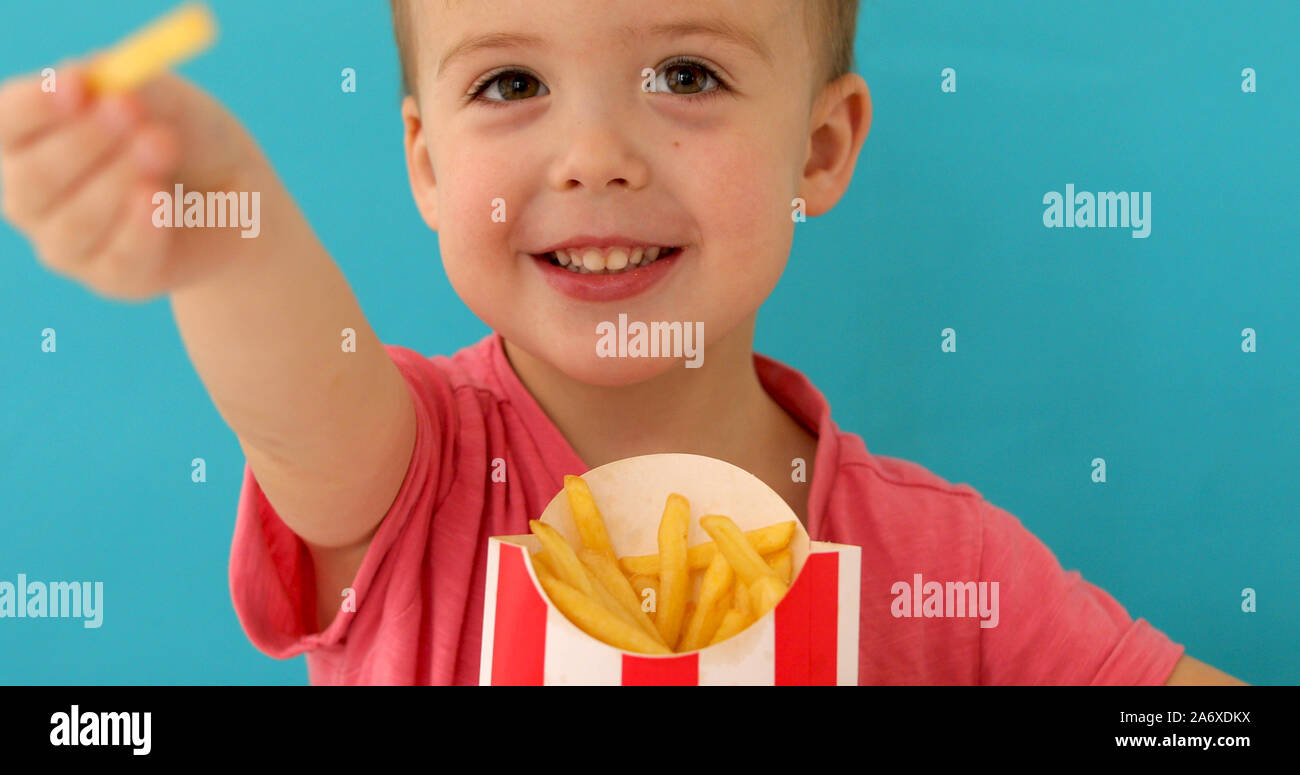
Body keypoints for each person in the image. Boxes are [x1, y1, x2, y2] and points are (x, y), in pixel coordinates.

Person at [0, 0, 1246, 685]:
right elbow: (293, 391)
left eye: (688, 73)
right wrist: (220, 211)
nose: (594, 153)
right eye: (508, 85)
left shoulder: (939, 561)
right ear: (425, 162)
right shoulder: (408, 478)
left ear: (818, 149)